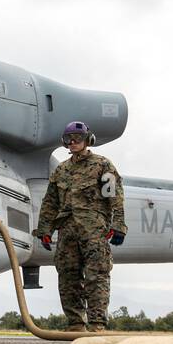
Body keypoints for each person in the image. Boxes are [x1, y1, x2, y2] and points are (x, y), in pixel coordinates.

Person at [35, 119, 126, 332]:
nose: (73, 142)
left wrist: (119, 225)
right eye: (69, 139)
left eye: (78, 138)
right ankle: (75, 323)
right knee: (67, 276)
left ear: (88, 140)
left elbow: (116, 197)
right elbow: (50, 202)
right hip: (67, 231)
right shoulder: (61, 171)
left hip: (94, 231)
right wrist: (45, 230)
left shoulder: (102, 165)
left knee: (97, 275)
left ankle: (96, 324)